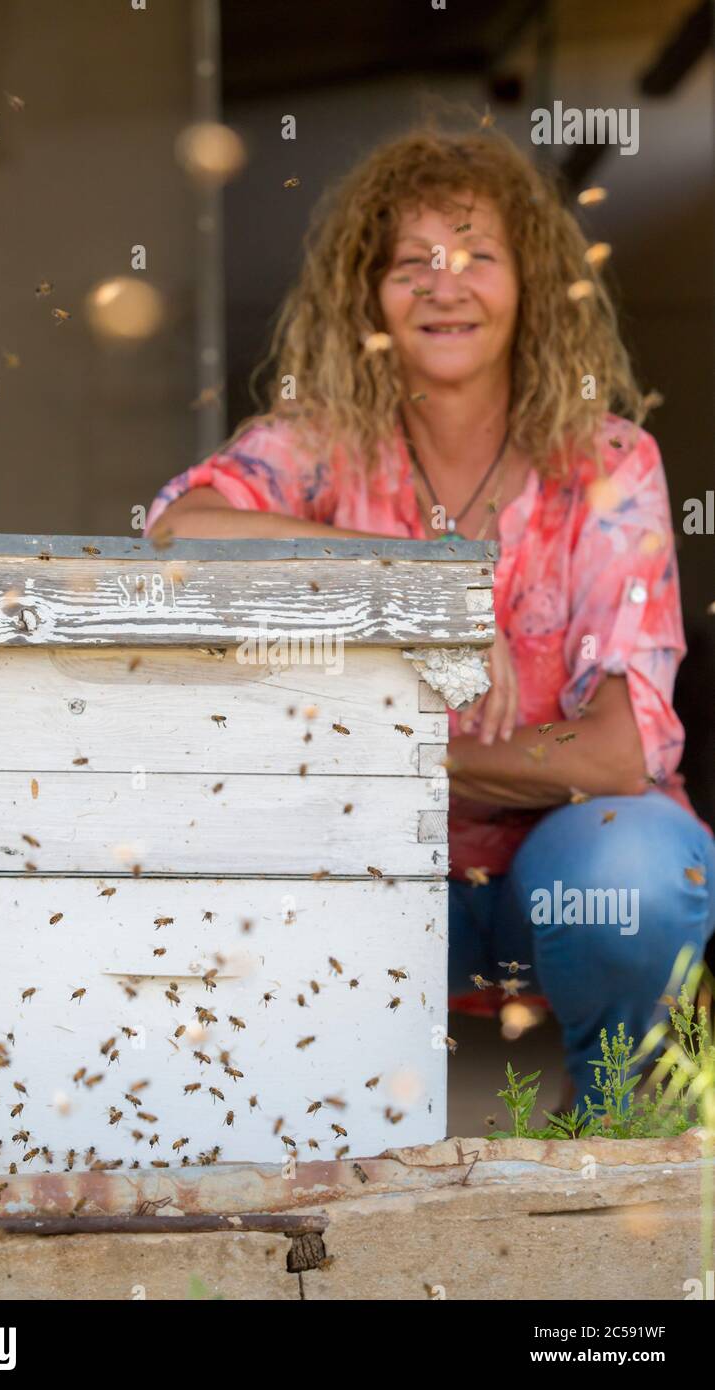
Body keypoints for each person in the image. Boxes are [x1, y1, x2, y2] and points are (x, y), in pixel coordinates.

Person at [144, 118, 715, 1112]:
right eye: (412, 264)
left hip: (562, 882)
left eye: (477, 258)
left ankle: (623, 1132)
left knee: (634, 862)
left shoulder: (607, 464)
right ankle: (307, 1164)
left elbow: (614, 757)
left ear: (529, 284)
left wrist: (398, 740)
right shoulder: (320, 447)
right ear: (368, 295)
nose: (443, 286)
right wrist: (422, 580)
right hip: (374, 885)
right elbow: (179, 527)